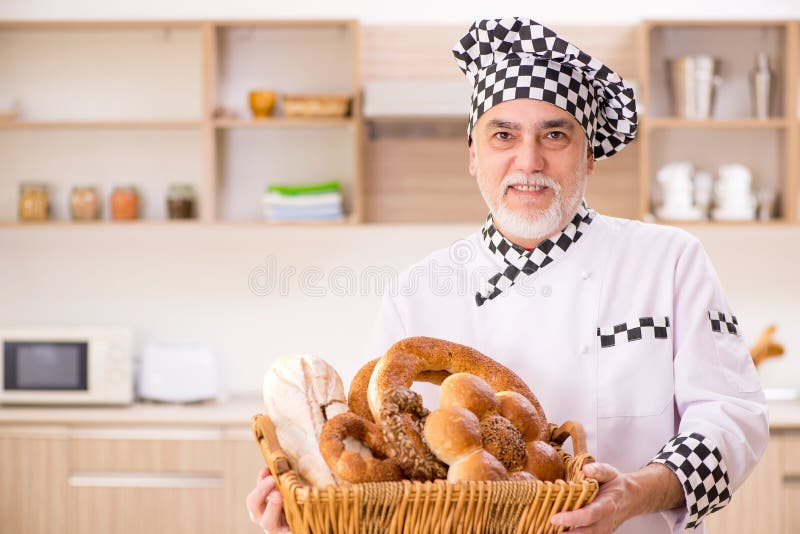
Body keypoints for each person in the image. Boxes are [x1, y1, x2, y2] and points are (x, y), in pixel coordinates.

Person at [247, 17, 768, 534]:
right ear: (474, 156)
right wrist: (312, 521)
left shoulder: (668, 261)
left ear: (589, 157)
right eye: (503, 135)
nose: (529, 160)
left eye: (555, 135)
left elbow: (733, 418)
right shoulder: (417, 292)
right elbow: (387, 475)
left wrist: (634, 493)